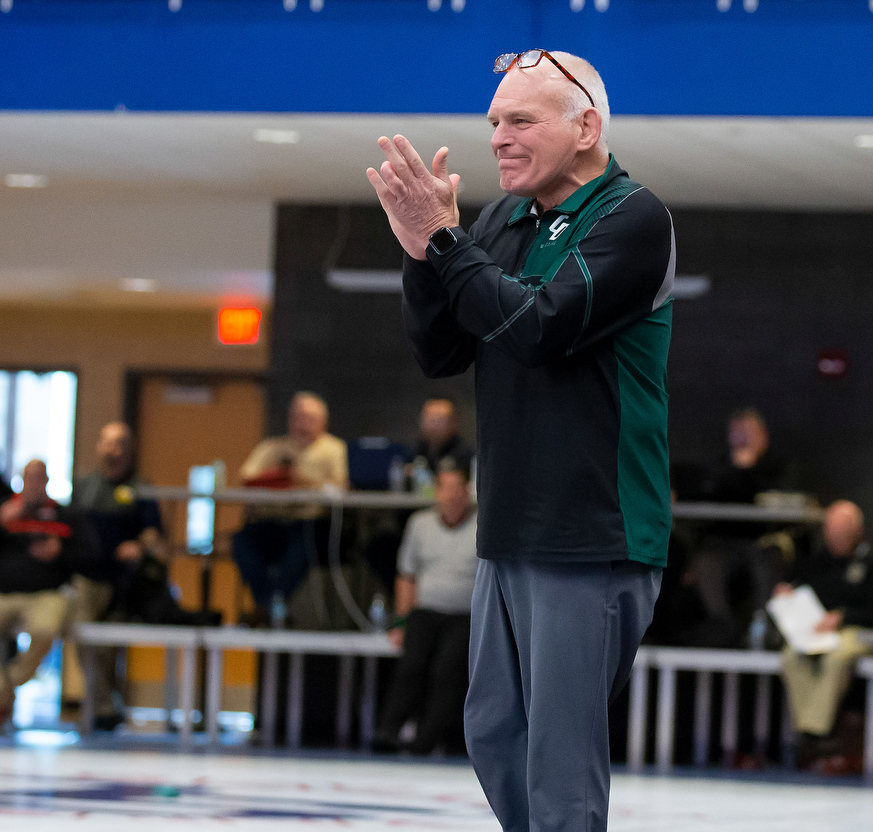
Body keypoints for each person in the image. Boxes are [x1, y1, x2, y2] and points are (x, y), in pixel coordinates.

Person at [368, 49, 673, 832]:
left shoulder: (633, 217)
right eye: (494, 122)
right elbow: (442, 351)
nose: (499, 137)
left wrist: (444, 242)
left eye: (521, 120)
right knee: (495, 733)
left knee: (559, 767)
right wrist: (420, 252)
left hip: (591, 530)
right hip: (509, 526)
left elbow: (534, 329)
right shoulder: (503, 219)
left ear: (586, 128)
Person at [773, 499, 873, 772]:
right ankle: (810, 732)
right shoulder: (812, 563)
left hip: (854, 631)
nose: (836, 535)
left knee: (836, 657)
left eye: (843, 530)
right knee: (791, 656)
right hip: (813, 631)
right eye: (832, 529)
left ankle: (817, 734)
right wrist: (784, 593)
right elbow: (791, 588)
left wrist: (842, 617)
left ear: (857, 531)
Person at [373, 463, 478, 755]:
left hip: (463, 615)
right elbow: (407, 576)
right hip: (425, 611)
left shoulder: (482, 526)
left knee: (447, 672)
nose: (452, 496)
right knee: (411, 666)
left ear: (467, 492)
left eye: (457, 489)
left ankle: (424, 741)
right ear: (437, 493)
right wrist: (401, 621)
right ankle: (387, 731)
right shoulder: (420, 524)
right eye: (445, 489)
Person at [70, 421, 165, 728]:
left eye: (119, 444)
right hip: (86, 577)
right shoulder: (85, 487)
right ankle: (104, 707)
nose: (112, 451)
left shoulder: (140, 489)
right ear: (99, 447)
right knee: (85, 640)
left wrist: (138, 544)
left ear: (129, 450)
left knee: (110, 649)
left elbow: (155, 533)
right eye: (107, 443)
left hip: (122, 581)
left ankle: (108, 708)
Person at [231, 391, 348, 624]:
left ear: (322, 422)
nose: (301, 422)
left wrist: (301, 481)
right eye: (297, 416)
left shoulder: (333, 449)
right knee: (241, 541)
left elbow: (339, 488)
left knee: (301, 546)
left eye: (308, 417)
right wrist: (275, 477)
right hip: (271, 519)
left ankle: (268, 607)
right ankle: (269, 604)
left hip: (308, 520)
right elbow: (245, 477)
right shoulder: (272, 447)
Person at [692, 408, 799, 641]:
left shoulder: (778, 466)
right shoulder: (721, 466)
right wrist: (736, 470)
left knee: (768, 562)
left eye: (747, 434)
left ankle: (762, 629)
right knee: (707, 563)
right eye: (736, 434)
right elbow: (709, 493)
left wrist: (750, 470)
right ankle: (723, 627)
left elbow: (781, 498)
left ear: (762, 435)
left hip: (765, 541)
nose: (741, 441)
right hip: (725, 543)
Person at [0, 460, 88, 720]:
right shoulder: (7, 511)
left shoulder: (64, 515)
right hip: (5, 592)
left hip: (47, 593)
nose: (34, 484)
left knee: (43, 630)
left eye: (40, 478)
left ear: (47, 481)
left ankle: (7, 686)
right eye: (29, 478)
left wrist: (62, 551)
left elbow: (91, 555)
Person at [408, 397, 473, 478]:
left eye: (440, 421)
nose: (435, 427)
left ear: (454, 423)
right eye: (431, 420)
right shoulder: (414, 452)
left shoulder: (464, 455)